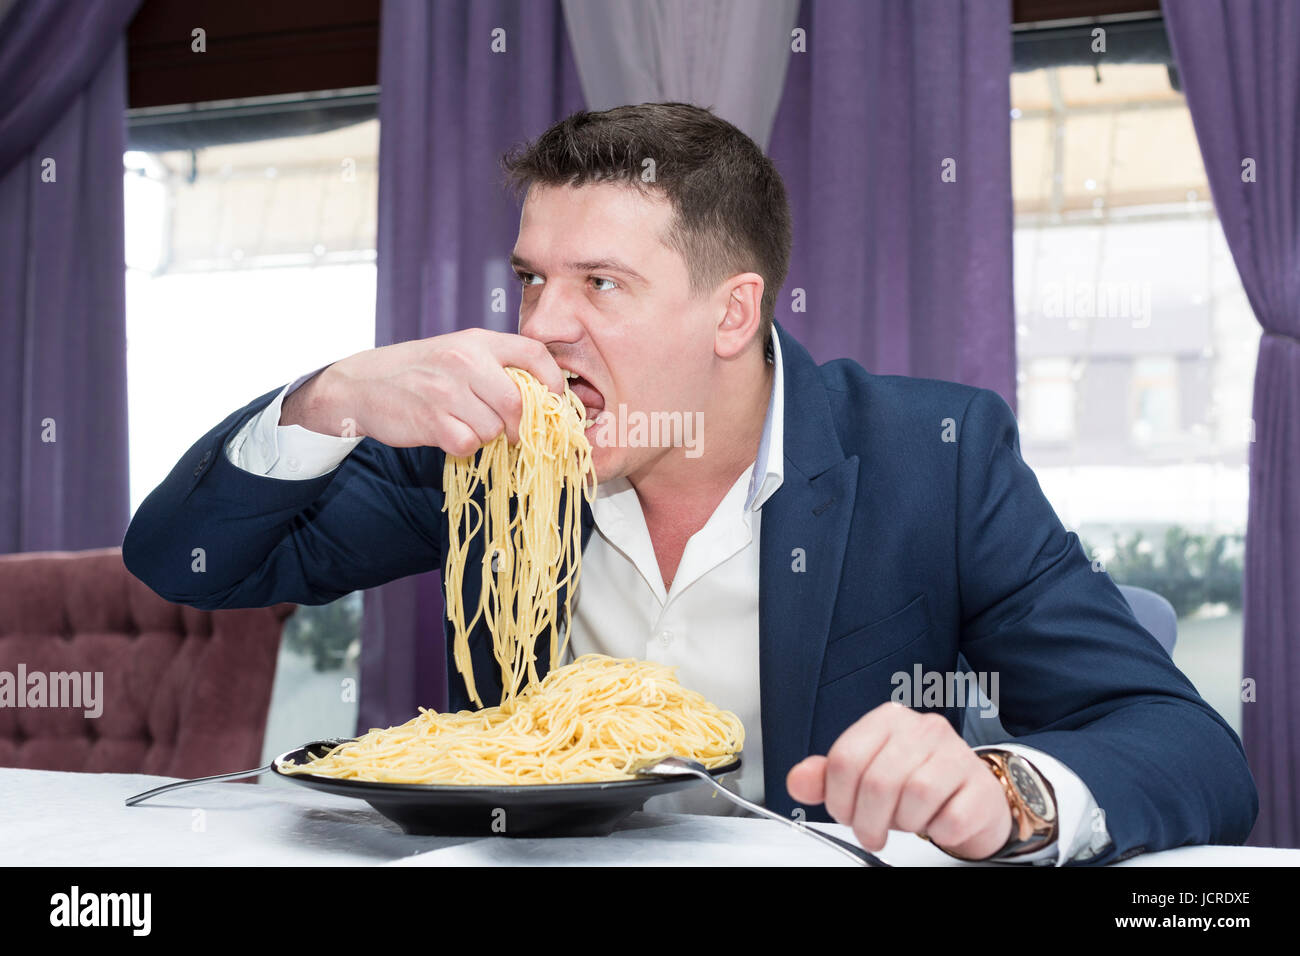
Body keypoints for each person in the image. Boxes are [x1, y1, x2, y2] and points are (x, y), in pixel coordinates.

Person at [123, 102, 1257, 865]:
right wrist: (329, 398)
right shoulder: (487, 452)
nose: (541, 325)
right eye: (530, 278)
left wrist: (1004, 791)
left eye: (600, 283)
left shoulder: (933, 458)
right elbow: (190, 564)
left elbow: (1183, 742)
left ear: (732, 312)